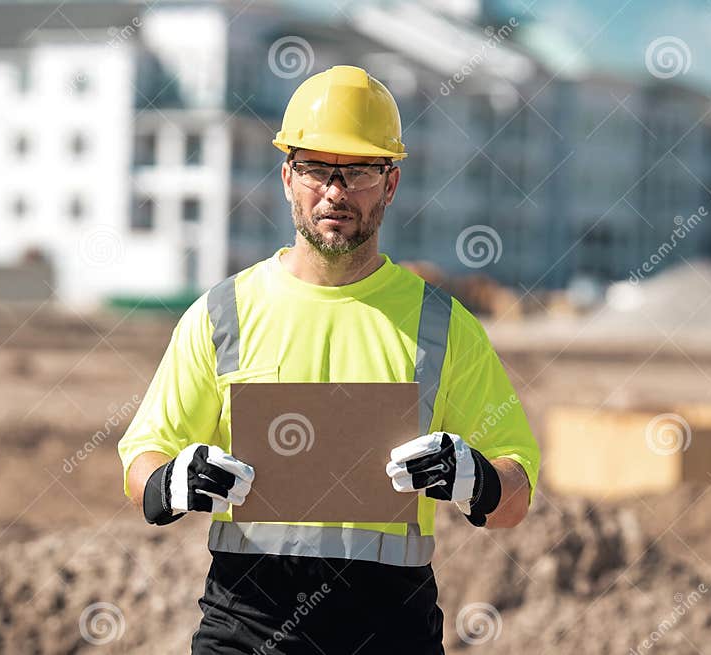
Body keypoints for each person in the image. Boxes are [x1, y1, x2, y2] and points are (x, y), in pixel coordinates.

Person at [118, 65, 540, 654]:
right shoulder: (222, 315)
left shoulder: (442, 328)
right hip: (247, 628)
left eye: (361, 170)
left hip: (390, 632)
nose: (336, 191)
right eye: (317, 168)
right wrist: (173, 480)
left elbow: (515, 497)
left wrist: (478, 479)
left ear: (390, 184)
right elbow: (142, 461)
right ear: (288, 176)